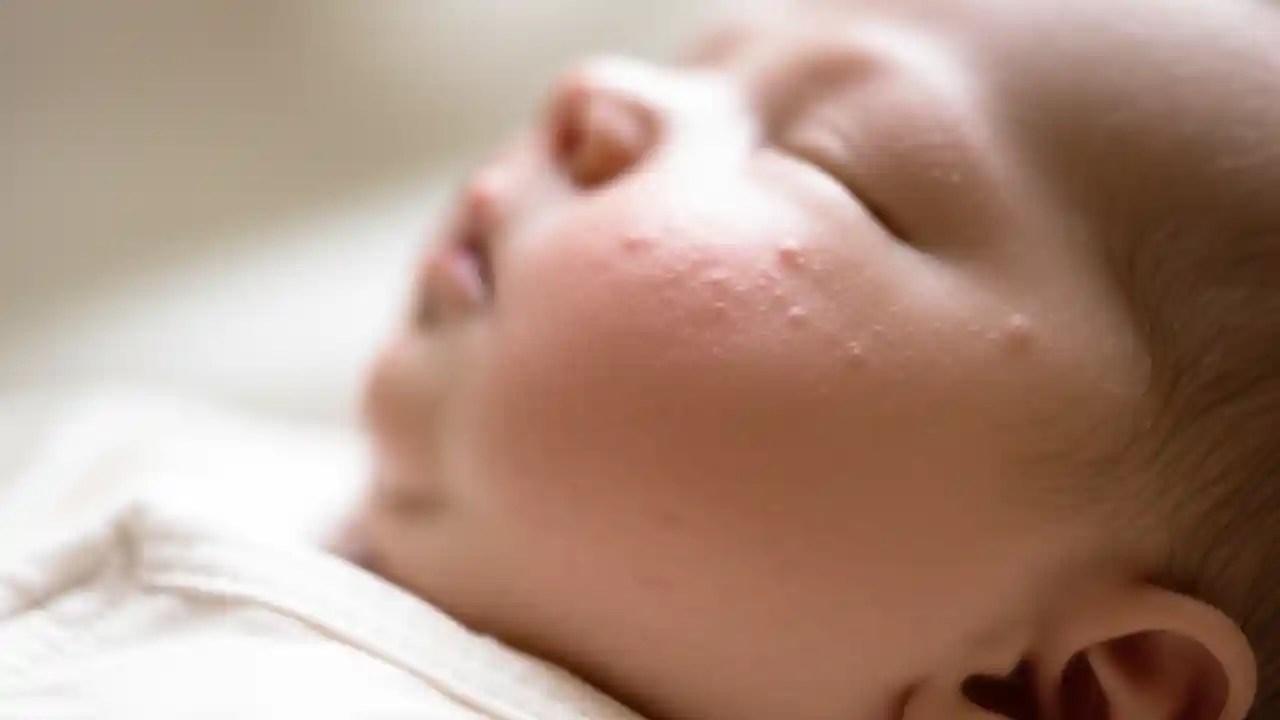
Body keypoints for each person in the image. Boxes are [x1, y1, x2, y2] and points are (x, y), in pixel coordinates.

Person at [4, 1, 1277, 718]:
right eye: (704, 61)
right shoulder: (211, 455)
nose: (597, 87)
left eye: (823, 156)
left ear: (1071, 696)